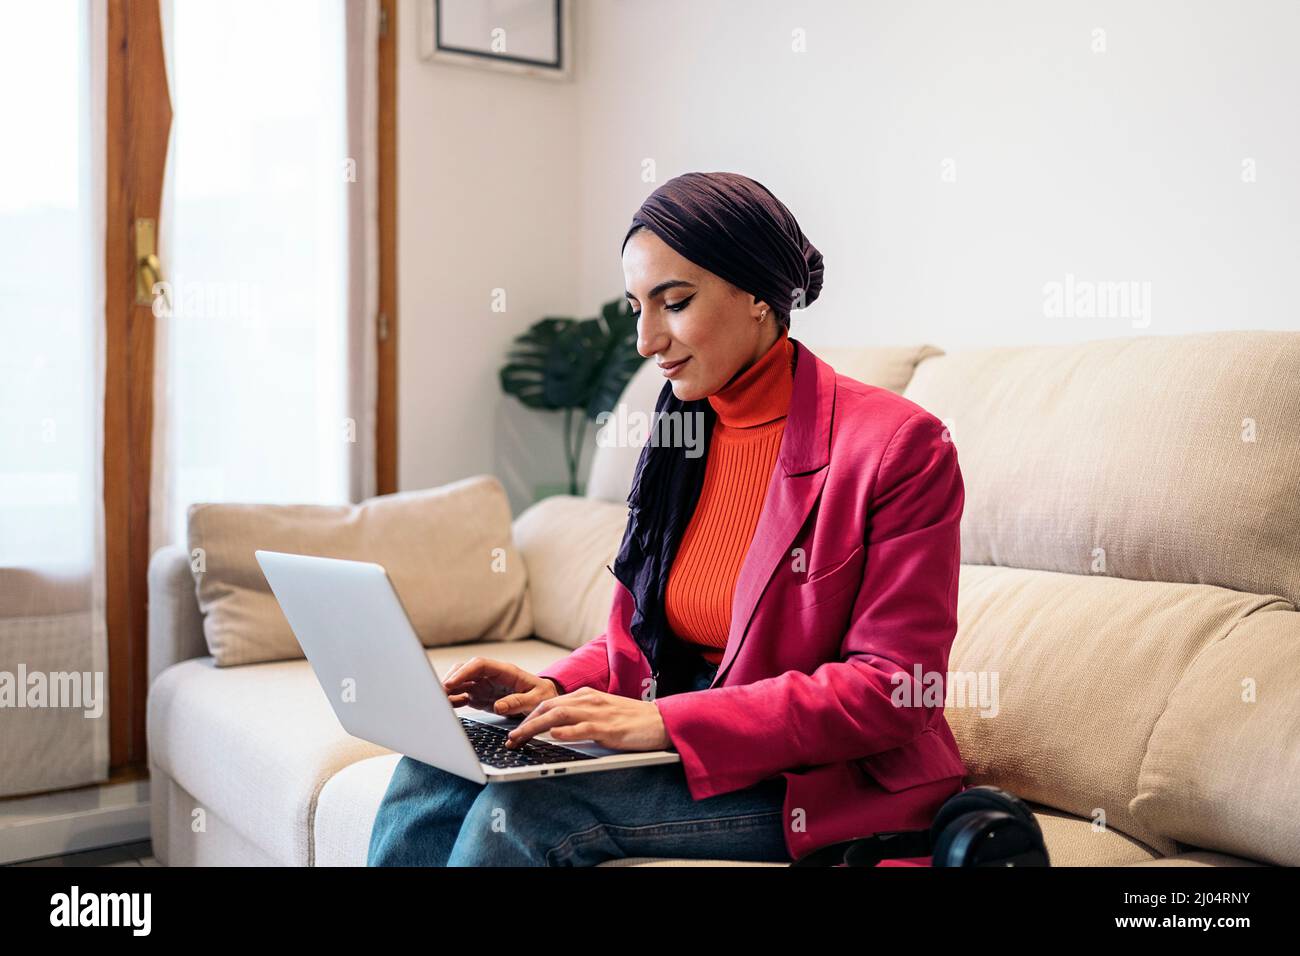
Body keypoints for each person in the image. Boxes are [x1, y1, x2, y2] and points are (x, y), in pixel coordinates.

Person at [367, 171, 967, 866]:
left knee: (528, 810)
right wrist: (555, 689)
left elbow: (894, 692)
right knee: (434, 766)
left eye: (674, 302)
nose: (647, 340)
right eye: (635, 308)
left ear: (757, 296)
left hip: (819, 780)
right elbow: (644, 636)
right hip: (686, 737)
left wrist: (662, 720)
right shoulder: (683, 432)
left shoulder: (899, 446)